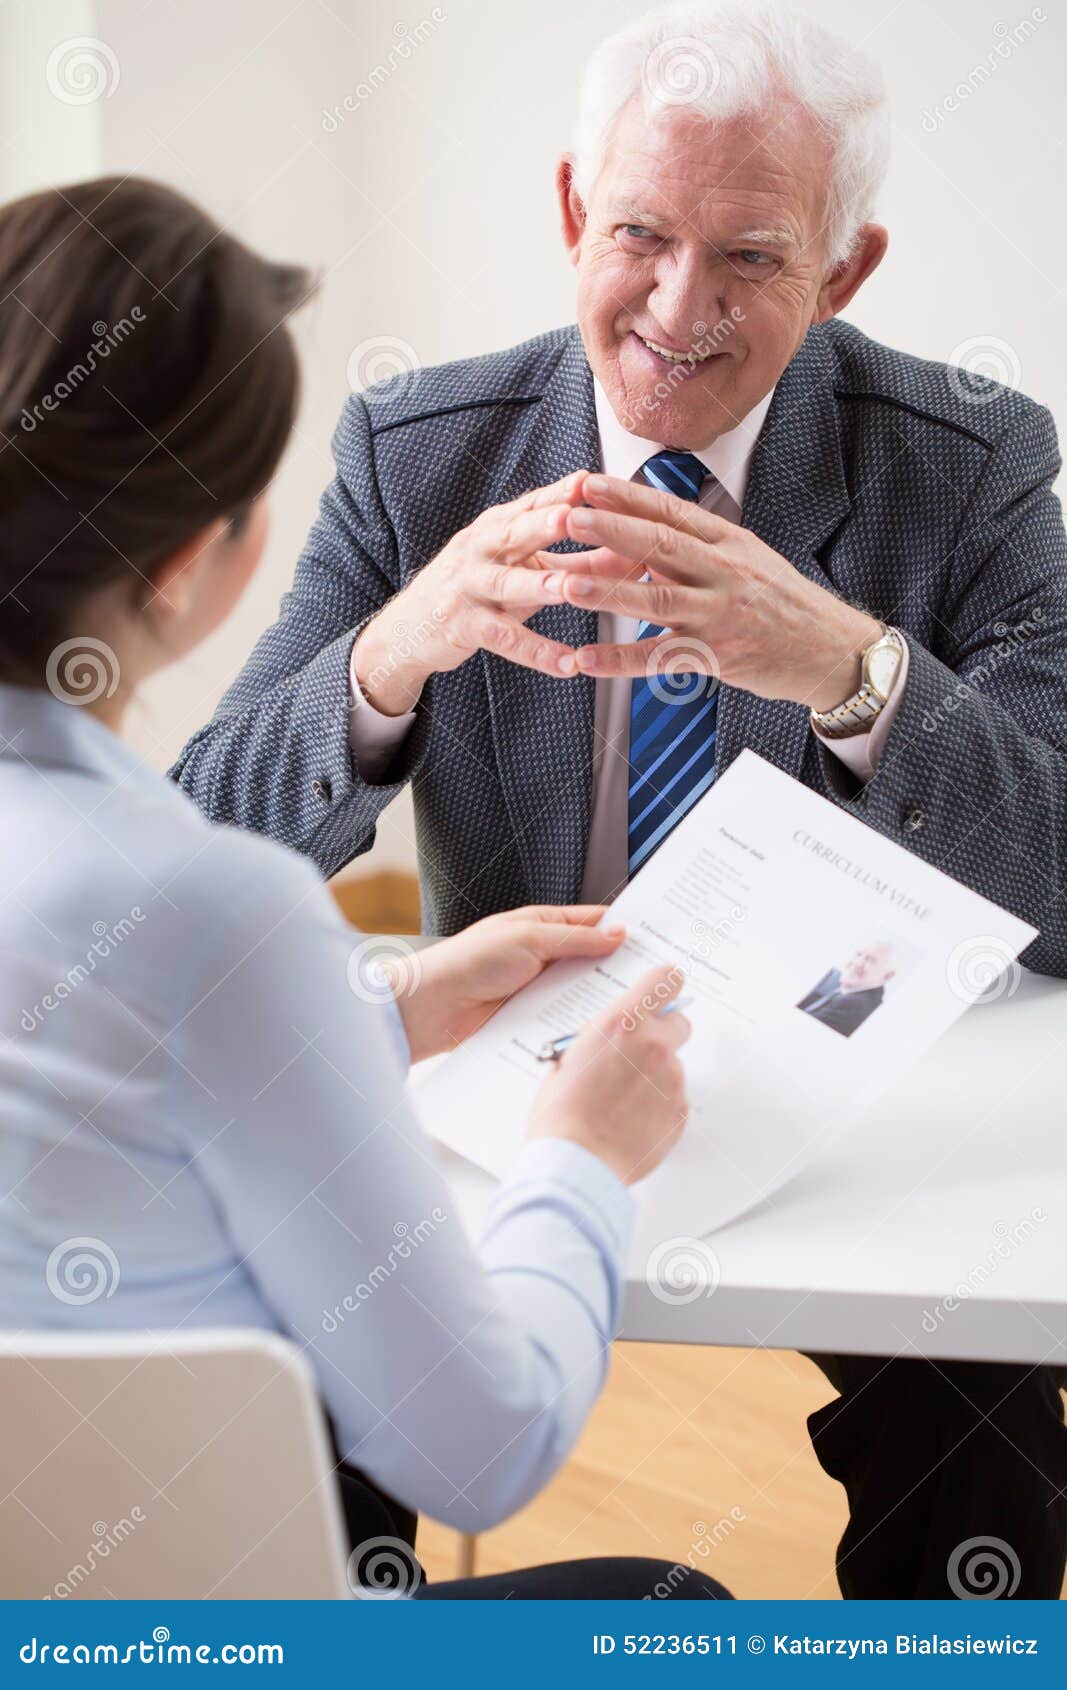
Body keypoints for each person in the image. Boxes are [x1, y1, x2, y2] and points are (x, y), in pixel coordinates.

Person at [170, 0, 1067, 1599]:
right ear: (574, 209)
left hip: (844, 1097)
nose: (676, 306)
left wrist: (854, 672)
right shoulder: (413, 454)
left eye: (749, 257)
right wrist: (390, 654)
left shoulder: (972, 460)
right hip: (508, 1073)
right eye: (641, 234)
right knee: (291, 1331)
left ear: (843, 269)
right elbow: (198, 860)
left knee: (977, 1421)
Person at [0, 176, 730, 1602]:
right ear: (203, 557)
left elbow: (72, 1047)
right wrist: (579, 1148)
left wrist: (373, 1005)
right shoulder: (206, 907)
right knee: (678, 1609)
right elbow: (484, 1445)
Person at [796, 943, 895, 1038]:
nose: (858, 962)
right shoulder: (846, 985)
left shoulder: (852, 1004)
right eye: (859, 954)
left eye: (871, 960)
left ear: (887, 976)